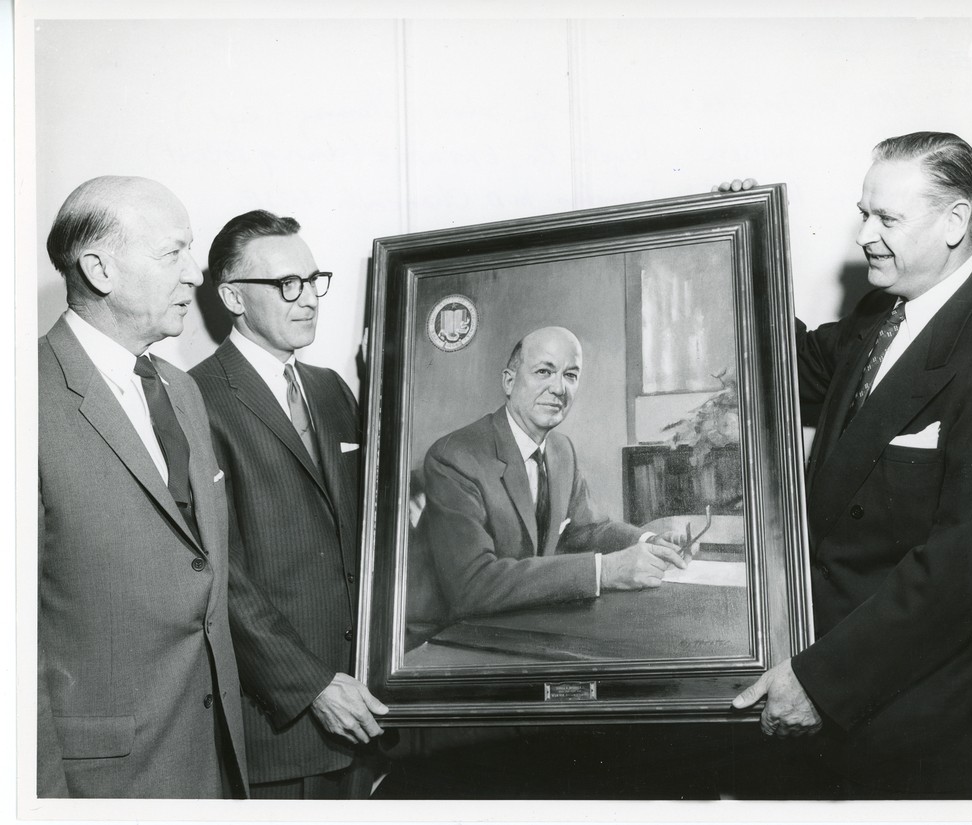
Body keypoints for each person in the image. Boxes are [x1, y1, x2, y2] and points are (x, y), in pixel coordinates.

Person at [731, 132, 972, 799]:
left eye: (887, 218)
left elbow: (960, 574)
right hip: (829, 708)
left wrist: (822, 681)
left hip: (912, 732)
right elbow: (787, 370)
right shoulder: (876, 320)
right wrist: (739, 250)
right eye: (865, 213)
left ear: (955, 220)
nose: (863, 236)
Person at [37, 176, 248, 798]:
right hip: (102, 783)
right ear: (100, 269)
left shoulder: (181, 390)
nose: (196, 275)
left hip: (213, 761)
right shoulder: (20, 396)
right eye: (173, 253)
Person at [189, 210, 388, 800]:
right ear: (232, 297)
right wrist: (312, 687)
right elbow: (217, 573)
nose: (308, 300)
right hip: (281, 723)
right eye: (284, 285)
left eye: (312, 280)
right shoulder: (193, 397)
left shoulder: (331, 389)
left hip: (366, 711)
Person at [423, 325, 690, 620]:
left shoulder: (561, 450)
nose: (559, 389)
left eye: (570, 375)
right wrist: (605, 572)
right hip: (448, 633)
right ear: (509, 382)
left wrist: (649, 542)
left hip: (523, 619)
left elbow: (588, 530)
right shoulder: (454, 457)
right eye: (543, 372)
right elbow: (471, 586)